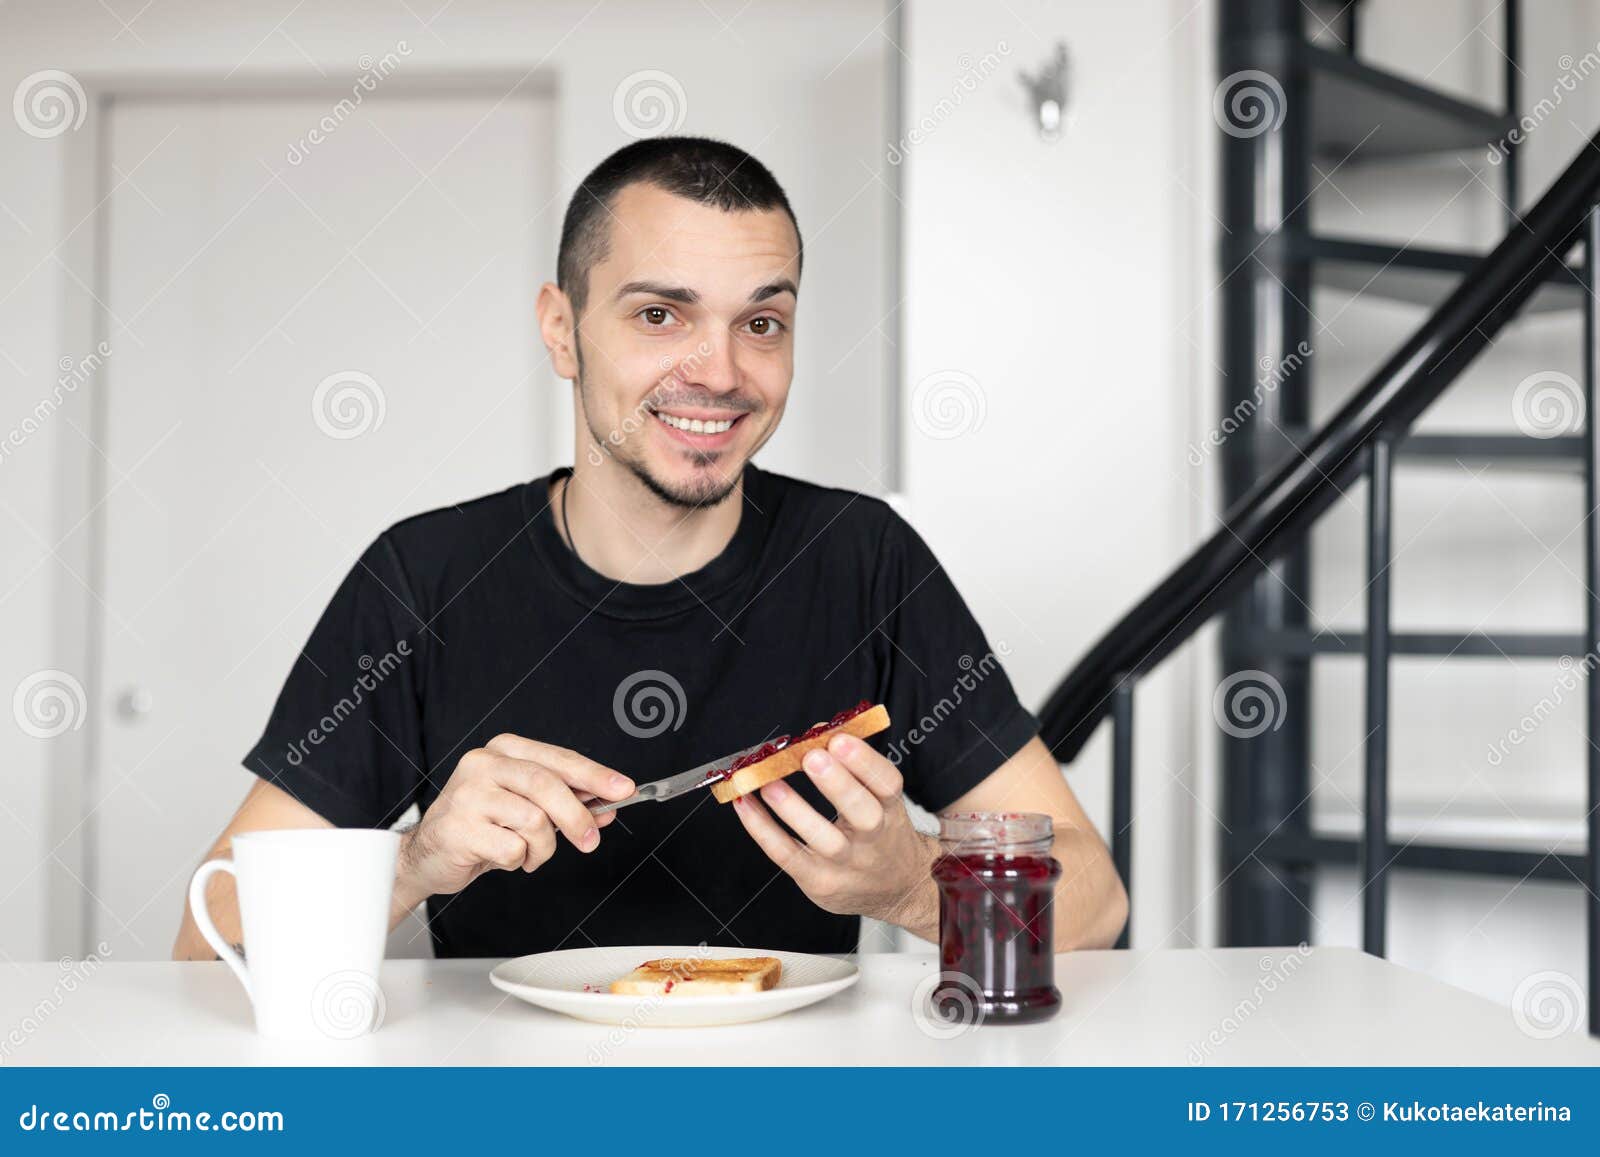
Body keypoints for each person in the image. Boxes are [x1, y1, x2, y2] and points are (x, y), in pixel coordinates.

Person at [173, 135, 1126, 961]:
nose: (718, 372)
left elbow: (1094, 901)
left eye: (762, 322)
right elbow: (208, 938)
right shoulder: (424, 579)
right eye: (660, 314)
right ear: (562, 330)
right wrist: (416, 862)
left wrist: (911, 883)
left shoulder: (861, 558)